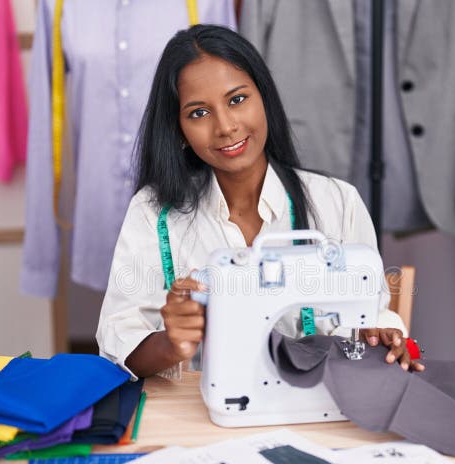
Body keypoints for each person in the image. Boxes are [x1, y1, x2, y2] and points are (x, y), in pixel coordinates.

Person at [96, 24, 422, 379]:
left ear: (264, 97)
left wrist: (381, 336)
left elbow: (369, 318)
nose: (225, 126)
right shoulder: (152, 213)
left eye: (237, 100)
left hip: (315, 402)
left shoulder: (338, 204)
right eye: (199, 113)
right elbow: (118, 343)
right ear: (179, 131)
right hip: (194, 408)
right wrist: (170, 344)